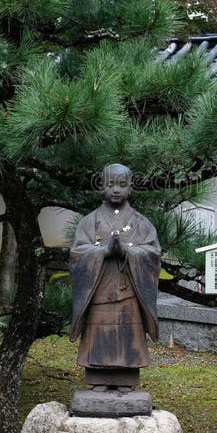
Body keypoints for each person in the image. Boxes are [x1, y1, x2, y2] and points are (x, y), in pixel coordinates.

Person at [69, 164, 161, 389]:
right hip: (100, 292)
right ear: (102, 186)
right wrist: (103, 251)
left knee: (127, 334)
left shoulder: (141, 222)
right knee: (99, 335)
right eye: (110, 184)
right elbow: (77, 253)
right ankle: (97, 378)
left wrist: (127, 251)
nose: (116, 190)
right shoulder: (89, 221)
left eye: (122, 185)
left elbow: (153, 253)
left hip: (128, 292)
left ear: (130, 187)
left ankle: (126, 379)